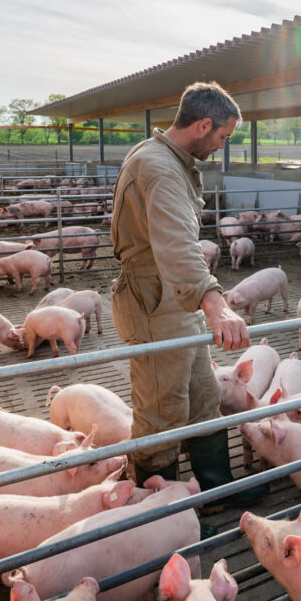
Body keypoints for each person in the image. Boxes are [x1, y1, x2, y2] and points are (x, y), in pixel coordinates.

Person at [110, 81, 267, 510]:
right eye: (222, 137)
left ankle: (214, 490)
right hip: (154, 297)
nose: (221, 146)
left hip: (175, 296)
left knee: (202, 394)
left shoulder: (164, 158)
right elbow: (177, 244)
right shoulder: (159, 167)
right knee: (161, 409)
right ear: (202, 125)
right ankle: (158, 510)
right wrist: (215, 305)